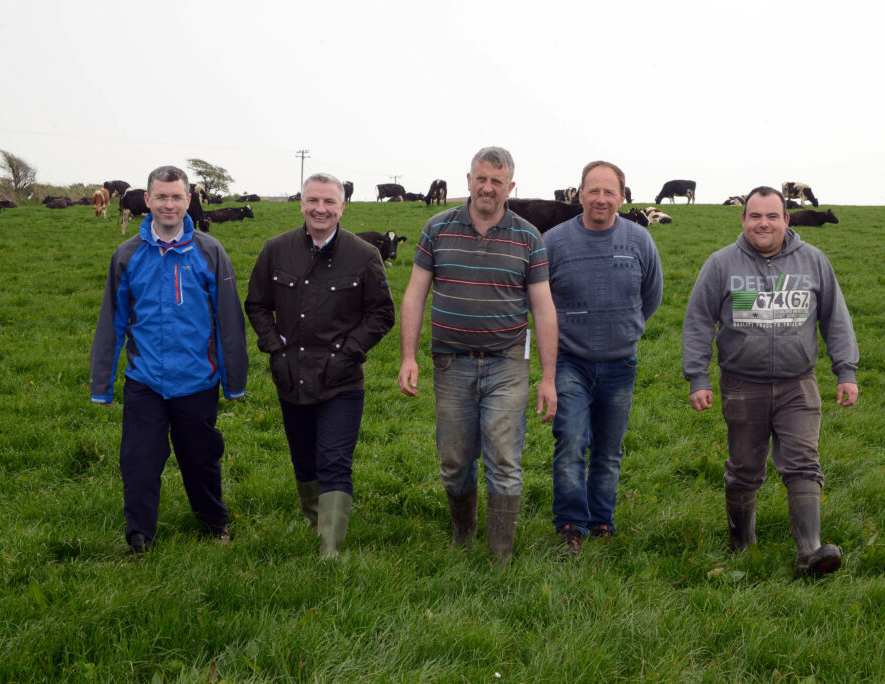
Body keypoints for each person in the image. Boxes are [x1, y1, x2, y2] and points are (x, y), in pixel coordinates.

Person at [682, 186, 859, 576]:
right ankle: (743, 546)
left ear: (787, 220)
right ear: (743, 219)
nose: (764, 223)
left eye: (772, 216)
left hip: (799, 383)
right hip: (742, 384)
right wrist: (698, 377)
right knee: (744, 467)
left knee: (802, 463)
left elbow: (835, 318)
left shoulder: (813, 261)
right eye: (755, 216)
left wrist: (845, 370)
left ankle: (810, 552)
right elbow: (698, 321)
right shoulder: (720, 264)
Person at [398, 146, 558, 563]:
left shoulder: (528, 236)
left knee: (505, 458)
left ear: (511, 187)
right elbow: (415, 294)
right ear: (468, 180)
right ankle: (463, 533)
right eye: (481, 179)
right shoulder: (436, 228)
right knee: (454, 459)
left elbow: (543, 308)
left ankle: (500, 554)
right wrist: (408, 357)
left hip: (507, 363)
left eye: (498, 182)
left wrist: (548, 377)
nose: (488, 188)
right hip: (451, 362)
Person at [90, 165, 248, 556]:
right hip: (145, 380)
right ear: (146, 200)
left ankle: (214, 524)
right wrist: (102, 384)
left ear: (189, 201)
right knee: (139, 461)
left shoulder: (210, 252)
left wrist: (234, 380)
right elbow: (113, 321)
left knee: (201, 458)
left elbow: (229, 319)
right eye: (161, 197)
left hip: (197, 380)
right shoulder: (126, 255)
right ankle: (139, 537)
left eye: (177, 197)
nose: (169, 204)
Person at [245, 173, 394, 558]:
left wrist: (350, 352)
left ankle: (330, 549)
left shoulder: (364, 256)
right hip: (290, 375)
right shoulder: (275, 250)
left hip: (342, 379)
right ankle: (315, 524)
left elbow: (381, 314)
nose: (320, 209)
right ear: (302, 203)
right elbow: (257, 304)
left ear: (342, 207)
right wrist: (273, 348)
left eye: (329, 202)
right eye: (313, 200)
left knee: (334, 459)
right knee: (303, 458)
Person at [543, 161, 663, 555]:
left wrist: (625, 328)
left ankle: (602, 520)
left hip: (619, 363)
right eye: (593, 190)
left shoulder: (640, 240)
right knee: (572, 440)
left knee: (609, 448)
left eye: (609, 192)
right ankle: (570, 525)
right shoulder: (554, 241)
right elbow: (539, 301)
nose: (601, 198)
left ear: (622, 197)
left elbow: (652, 295)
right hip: (568, 361)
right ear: (579, 194)